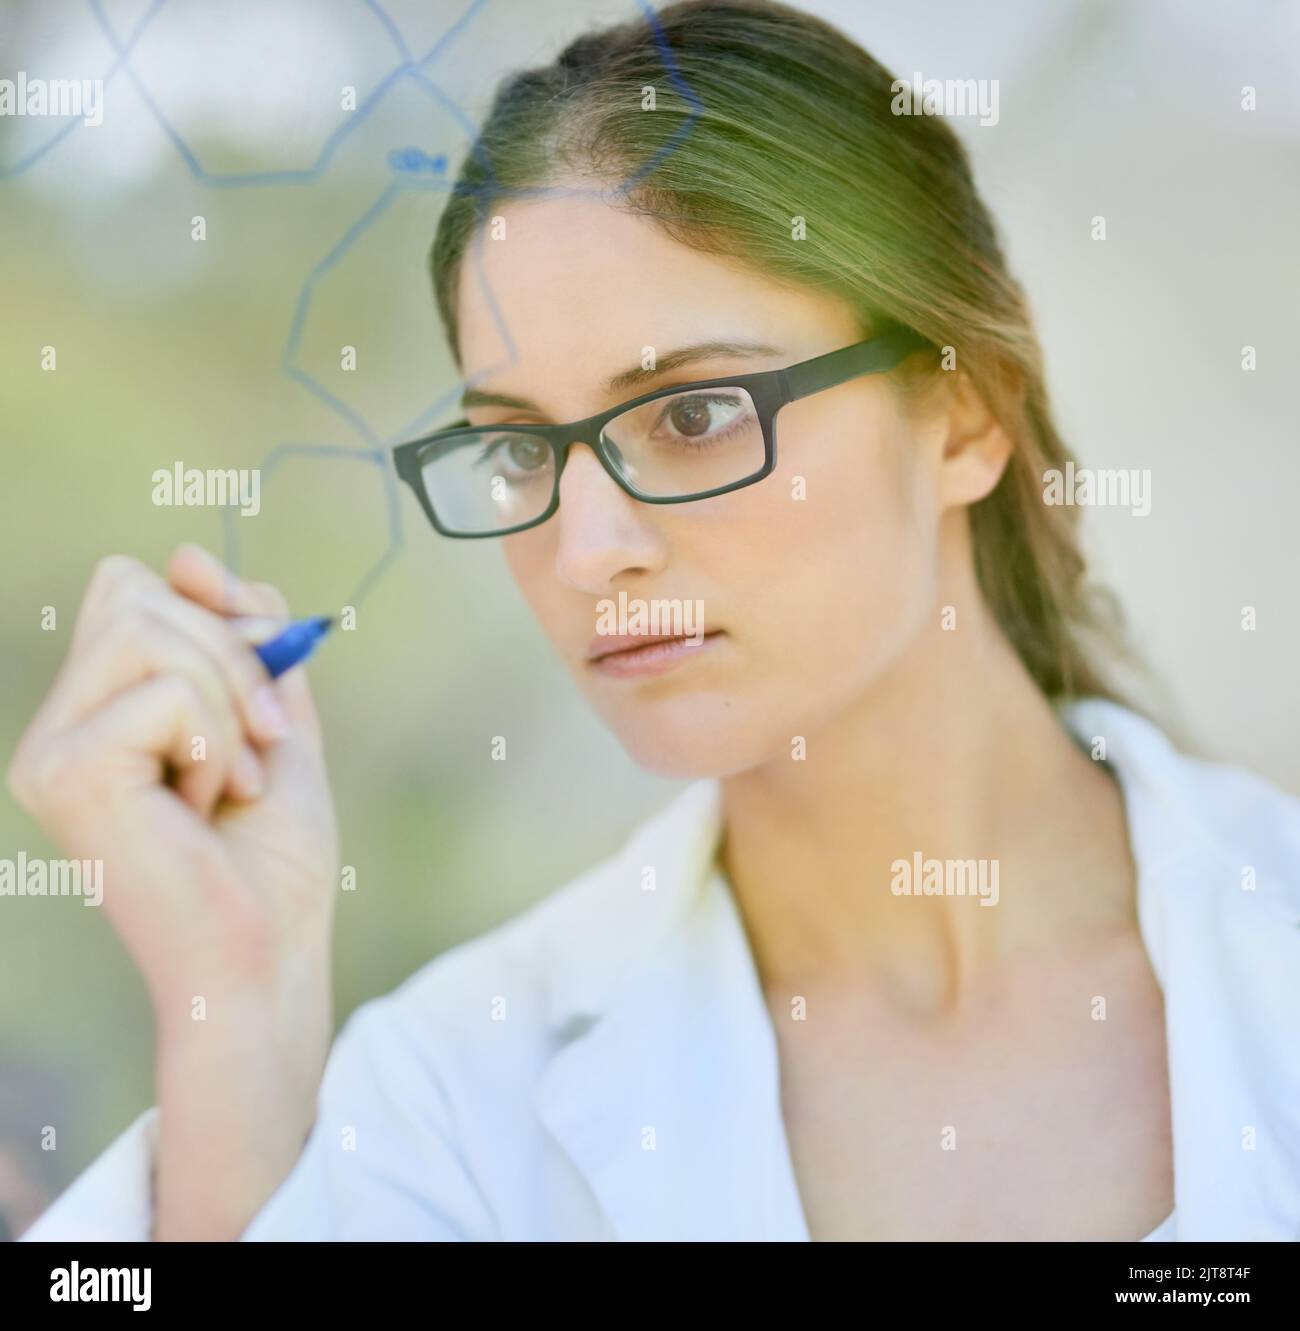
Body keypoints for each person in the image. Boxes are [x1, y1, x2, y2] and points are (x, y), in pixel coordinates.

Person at [12, 0, 1299, 1242]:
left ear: (965, 417)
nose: (585, 551)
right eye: (519, 453)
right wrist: (237, 988)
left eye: (692, 416)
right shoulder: (454, 1091)